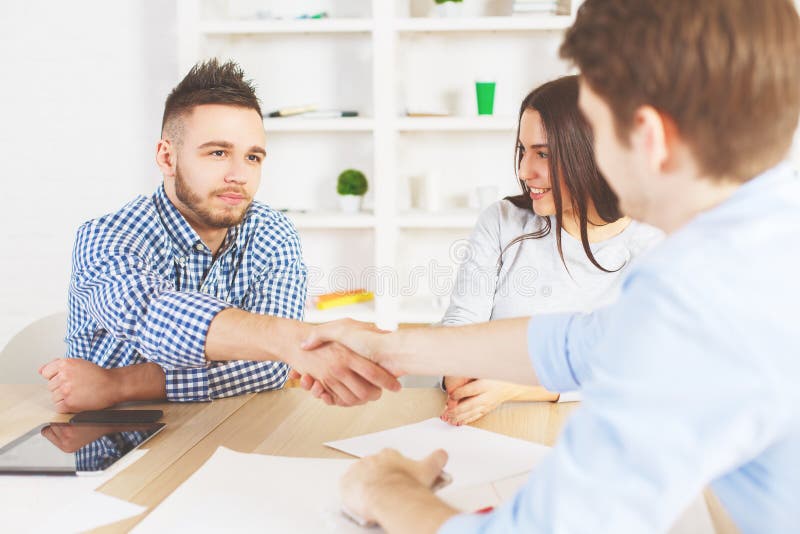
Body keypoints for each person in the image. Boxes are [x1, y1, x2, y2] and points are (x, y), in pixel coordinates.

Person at [296, 0, 800, 531]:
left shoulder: (696, 296)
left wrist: (387, 491)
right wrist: (389, 347)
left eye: (597, 130)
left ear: (649, 138)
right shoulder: (764, 238)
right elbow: (583, 342)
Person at [39, 59, 399, 413]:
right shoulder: (108, 236)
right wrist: (286, 340)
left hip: (229, 426)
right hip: (115, 433)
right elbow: (150, 313)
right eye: (218, 152)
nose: (239, 175)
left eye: (253, 157)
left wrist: (119, 384)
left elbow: (270, 368)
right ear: (167, 157)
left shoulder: (272, 232)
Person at [440, 75, 662, 426]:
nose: (524, 171)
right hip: (487, 424)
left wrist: (517, 386)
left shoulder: (654, 245)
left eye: (543, 154)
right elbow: (460, 332)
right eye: (522, 151)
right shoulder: (502, 221)